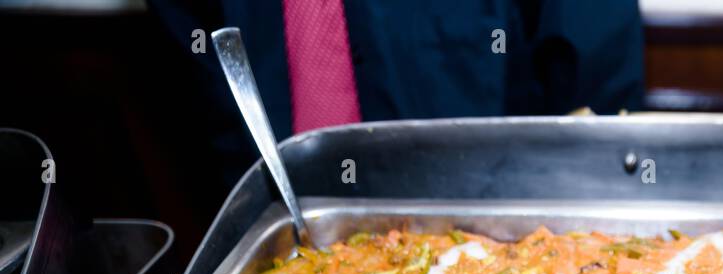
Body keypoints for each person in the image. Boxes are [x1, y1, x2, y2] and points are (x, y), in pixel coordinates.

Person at [148, 0, 644, 187]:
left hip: (497, 202)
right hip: (277, 203)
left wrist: (594, 183)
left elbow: (590, 49)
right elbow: (196, 46)